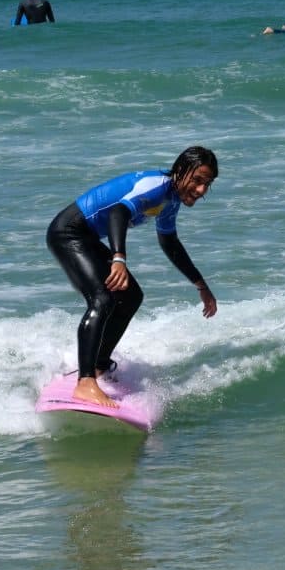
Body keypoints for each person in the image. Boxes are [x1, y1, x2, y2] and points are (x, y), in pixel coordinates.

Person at [46, 146, 219, 407]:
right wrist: (118, 259)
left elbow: (169, 242)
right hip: (68, 233)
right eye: (197, 180)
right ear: (180, 170)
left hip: (86, 237)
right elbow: (119, 212)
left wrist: (200, 285)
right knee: (102, 299)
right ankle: (85, 382)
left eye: (207, 184)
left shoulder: (170, 201)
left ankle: (99, 365)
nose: (201, 190)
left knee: (130, 296)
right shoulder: (156, 186)